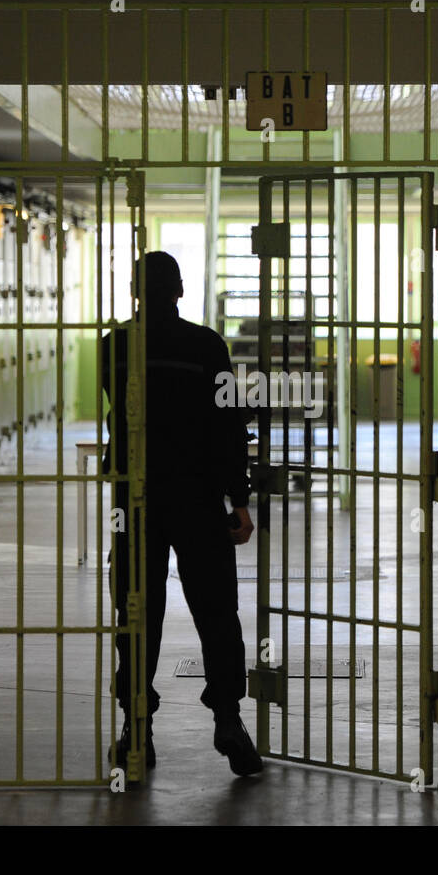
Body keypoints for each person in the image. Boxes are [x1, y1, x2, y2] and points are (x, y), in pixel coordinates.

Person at [100, 250, 262, 777]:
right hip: (195, 498)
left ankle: (136, 729)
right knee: (216, 612)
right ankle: (229, 721)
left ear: (134, 291)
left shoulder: (114, 347)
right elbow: (227, 426)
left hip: (135, 498)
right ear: (180, 290)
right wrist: (238, 498)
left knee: (136, 614)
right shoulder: (206, 346)